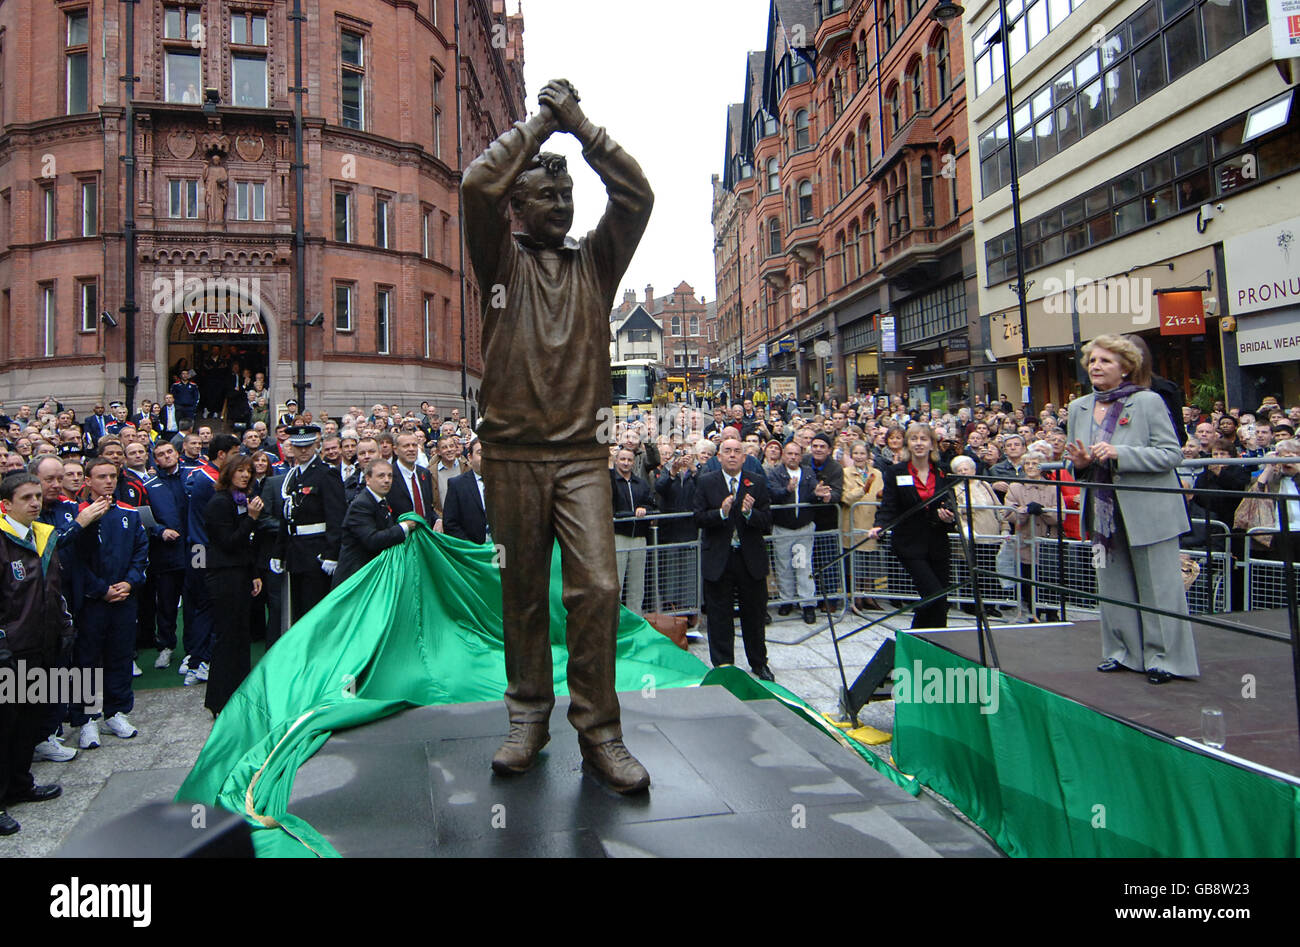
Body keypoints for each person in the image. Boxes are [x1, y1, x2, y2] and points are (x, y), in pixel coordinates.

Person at [462, 78, 654, 792]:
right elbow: (478, 186)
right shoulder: (499, 262)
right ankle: (527, 716)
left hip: (580, 454)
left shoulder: (595, 266)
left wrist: (584, 129)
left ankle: (600, 729)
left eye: (569, 199)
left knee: (598, 587)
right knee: (521, 591)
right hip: (510, 453)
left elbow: (637, 196)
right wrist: (541, 124)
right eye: (548, 197)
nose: (565, 207)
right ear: (520, 206)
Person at [1066, 334, 1199, 684]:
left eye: (1105, 361)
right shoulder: (1077, 408)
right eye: (1092, 360)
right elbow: (1075, 463)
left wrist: (1120, 454)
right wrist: (1078, 463)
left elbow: (1171, 454)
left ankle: (1165, 659)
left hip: (1149, 511)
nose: (1096, 366)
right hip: (1101, 512)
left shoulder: (1149, 402)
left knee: (1159, 587)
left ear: (1126, 368)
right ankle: (1122, 652)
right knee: (1111, 584)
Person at [0, 473, 76, 835]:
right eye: (26, 497)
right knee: (3, 727)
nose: (35, 501)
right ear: (6, 504)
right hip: (9, 651)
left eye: (37, 495)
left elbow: (52, 588)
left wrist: (62, 627)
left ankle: (20, 783)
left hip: (40, 645)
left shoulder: (43, 535)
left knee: (28, 721)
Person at [68, 458, 148, 748]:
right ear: (88, 481)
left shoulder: (129, 512)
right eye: (101, 476)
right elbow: (75, 561)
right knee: (86, 659)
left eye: (112, 476)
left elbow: (141, 551)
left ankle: (116, 712)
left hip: (124, 597)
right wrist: (100, 589)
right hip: (93, 600)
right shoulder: (77, 515)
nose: (108, 481)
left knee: (120, 655)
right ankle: (86, 719)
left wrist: (129, 582)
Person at [695, 437, 774, 678]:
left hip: (749, 559)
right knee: (719, 616)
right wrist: (721, 512)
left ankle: (759, 662)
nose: (731, 455)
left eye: (736, 451)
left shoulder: (757, 482)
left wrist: (750, 514)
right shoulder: (707, 482)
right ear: (718, 457)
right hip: (720, 558)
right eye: (726, 451)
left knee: (754, 614)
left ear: (744, 457)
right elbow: (698, 518)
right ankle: (723, 666)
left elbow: (767, 523)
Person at [869, 423, 956, 629]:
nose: (919, 443)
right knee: (932, 592)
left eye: (923, 439)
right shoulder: (896, 472)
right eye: (914, 439)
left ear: (932, 444)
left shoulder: (942, 473)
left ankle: (933, 643)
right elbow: (889, 505)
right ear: (908, 443)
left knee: (941, 599)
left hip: (938, 543)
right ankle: (915, 638)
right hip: (909, 543)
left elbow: (950, 504)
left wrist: (948, 516)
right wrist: (879, 525)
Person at [203, 456, 265, 715]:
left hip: (240, 575)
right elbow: (229, 543)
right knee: (228, 638)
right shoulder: (219, 503)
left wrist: (253, 574)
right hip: (223, 577)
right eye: (240, 471)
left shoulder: (241, 500)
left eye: (249, 472)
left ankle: (239, 693)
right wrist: (251, 519)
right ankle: (219, 700)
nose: (245, 476)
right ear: (228, 473)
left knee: (241, 637)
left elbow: (246, 545)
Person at [271, 425, 346, 626]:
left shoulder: (326, 473)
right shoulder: (293, 476)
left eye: (307, 446)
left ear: (316, 445)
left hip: (317, 553)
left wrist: (332, 554)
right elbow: (287, 518)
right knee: (299, 612)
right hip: (295, 552)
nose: (303, 451)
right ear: (291, 447)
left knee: (315, 612)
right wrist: (278, 552)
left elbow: (336, 517)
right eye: (298, 446)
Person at [334, 459, 417, 586]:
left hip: (371, 575)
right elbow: (372, 540)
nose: (387, 480)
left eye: (390, 476)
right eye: (381, 476)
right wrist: (404, 527)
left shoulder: (382, 500)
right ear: (368, 479)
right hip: (356, 578)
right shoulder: (361, 505)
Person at [1001, 450, 1062, 621]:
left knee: (1049, 577)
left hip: (1047, 539)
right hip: (1025, 539)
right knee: (1027, 577)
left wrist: (1042, 511)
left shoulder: (1052, 487)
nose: (1030, 467)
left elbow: (1061, 514)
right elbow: (1009, 513)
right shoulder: (1015, 487)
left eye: (1034, 463)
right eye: (1027, 463)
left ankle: (1051, 612)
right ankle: (1032, 613)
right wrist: (1025, 511)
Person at [767, 441, 819, 624]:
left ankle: (807, 604)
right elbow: (773, 494)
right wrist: (787, 489)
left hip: (803, 527)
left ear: (801, 455)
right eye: (789, 453)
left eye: (796, 454)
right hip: (783, 527)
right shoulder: (775, 473)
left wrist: (818, 493)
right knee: (784, 566)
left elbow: (812, 495)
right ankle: (786, 600)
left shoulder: (808, 472)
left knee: (803, 565)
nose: (793, 457)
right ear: (783, 455)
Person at [611, 447, 655, 613]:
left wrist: (644, 508)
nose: (626, 463)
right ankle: (615, 622)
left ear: (634, 462)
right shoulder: (611, 480)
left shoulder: (641, 483)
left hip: (639, 537)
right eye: (622, 459)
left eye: (629, 460)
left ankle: (636, 618)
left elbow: (651, 504)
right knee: (618, 583)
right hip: (619, 536)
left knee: (637, 583)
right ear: (616, 460)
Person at [442, 437, 489, 545]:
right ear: (470, 457)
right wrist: (471, 547)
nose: (486, 456)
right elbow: (450, 524)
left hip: (500, 551)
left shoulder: (503, 483)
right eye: (480, 452)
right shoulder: (457, 485)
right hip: (471, 552)